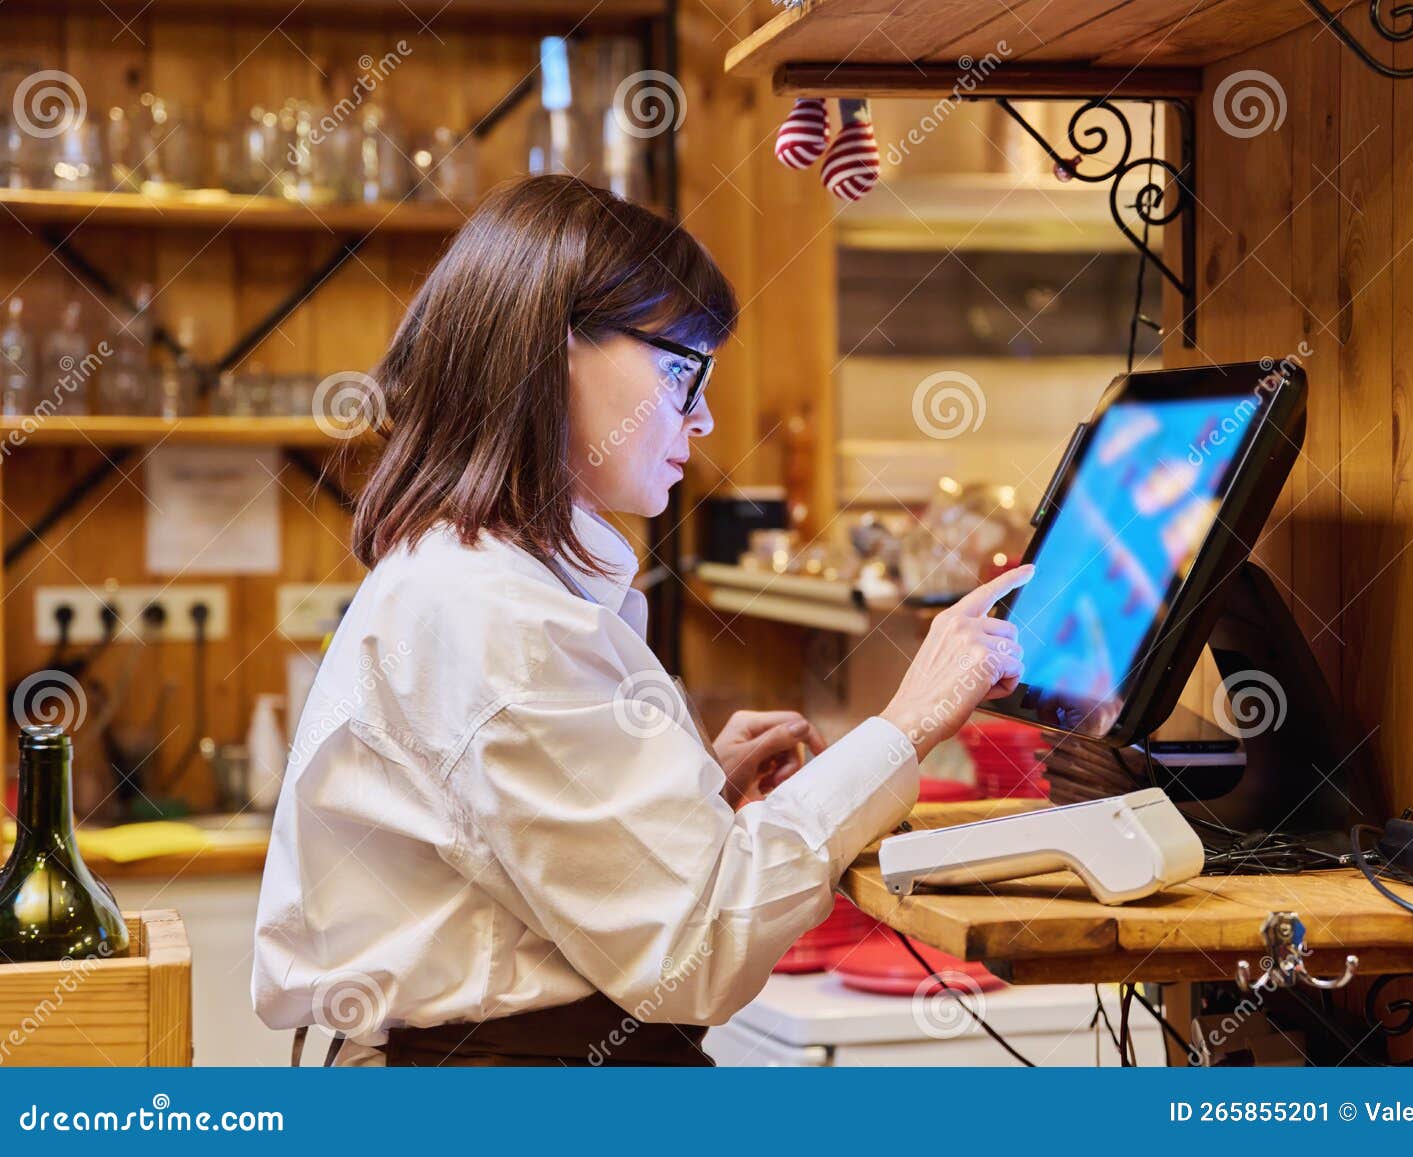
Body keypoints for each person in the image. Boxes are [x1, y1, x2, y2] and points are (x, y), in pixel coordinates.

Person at [251, 174, 1032, 1066]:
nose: (702, 418)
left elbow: (525, 857)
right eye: (681, 371)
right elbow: (700, 945)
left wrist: (686, 789)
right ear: (554, 350)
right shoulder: (496, 612)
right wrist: (911, 722)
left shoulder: (473, 576)